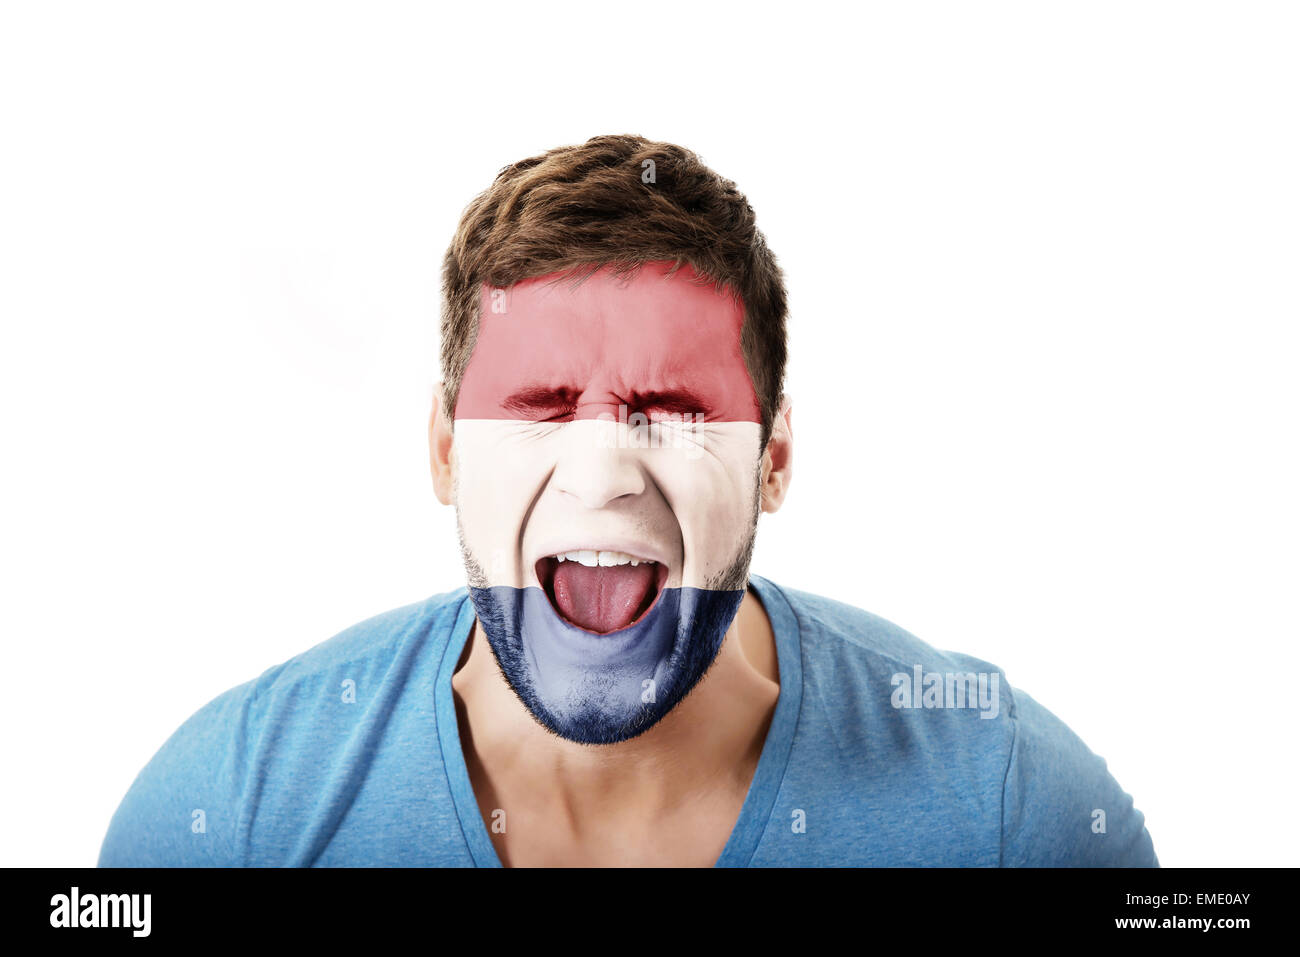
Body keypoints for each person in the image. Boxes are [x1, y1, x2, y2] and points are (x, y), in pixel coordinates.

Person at [98, 134, 1158, 867]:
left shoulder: (1013, 814)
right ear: (443, 452)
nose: (602, 471)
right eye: (542, 406)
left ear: (774, 458)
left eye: (670, 409)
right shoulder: (231, 814)